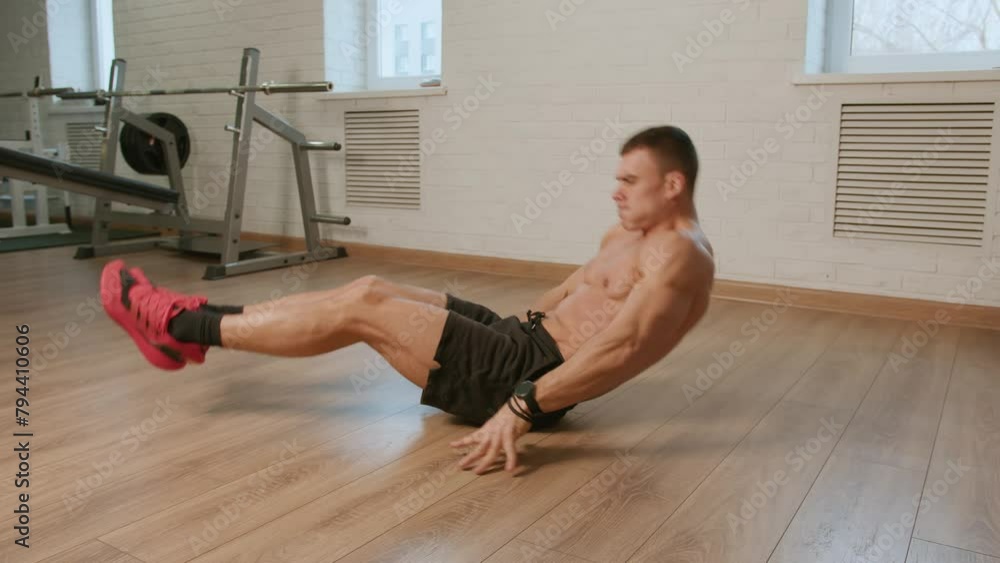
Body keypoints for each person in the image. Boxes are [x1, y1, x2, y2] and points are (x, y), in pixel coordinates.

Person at [100, 125, 715, 475]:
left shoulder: (681, 256)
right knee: (371, 290)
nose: (616, 192)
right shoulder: (633, 232)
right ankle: (189, 322)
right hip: (516, 341)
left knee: (364, 313)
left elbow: (626, 348)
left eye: (629, 181)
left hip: (525, 378)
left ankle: (181, 326)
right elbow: (569, 297)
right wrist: (498, 333)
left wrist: (522, 407)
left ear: (673, 183)